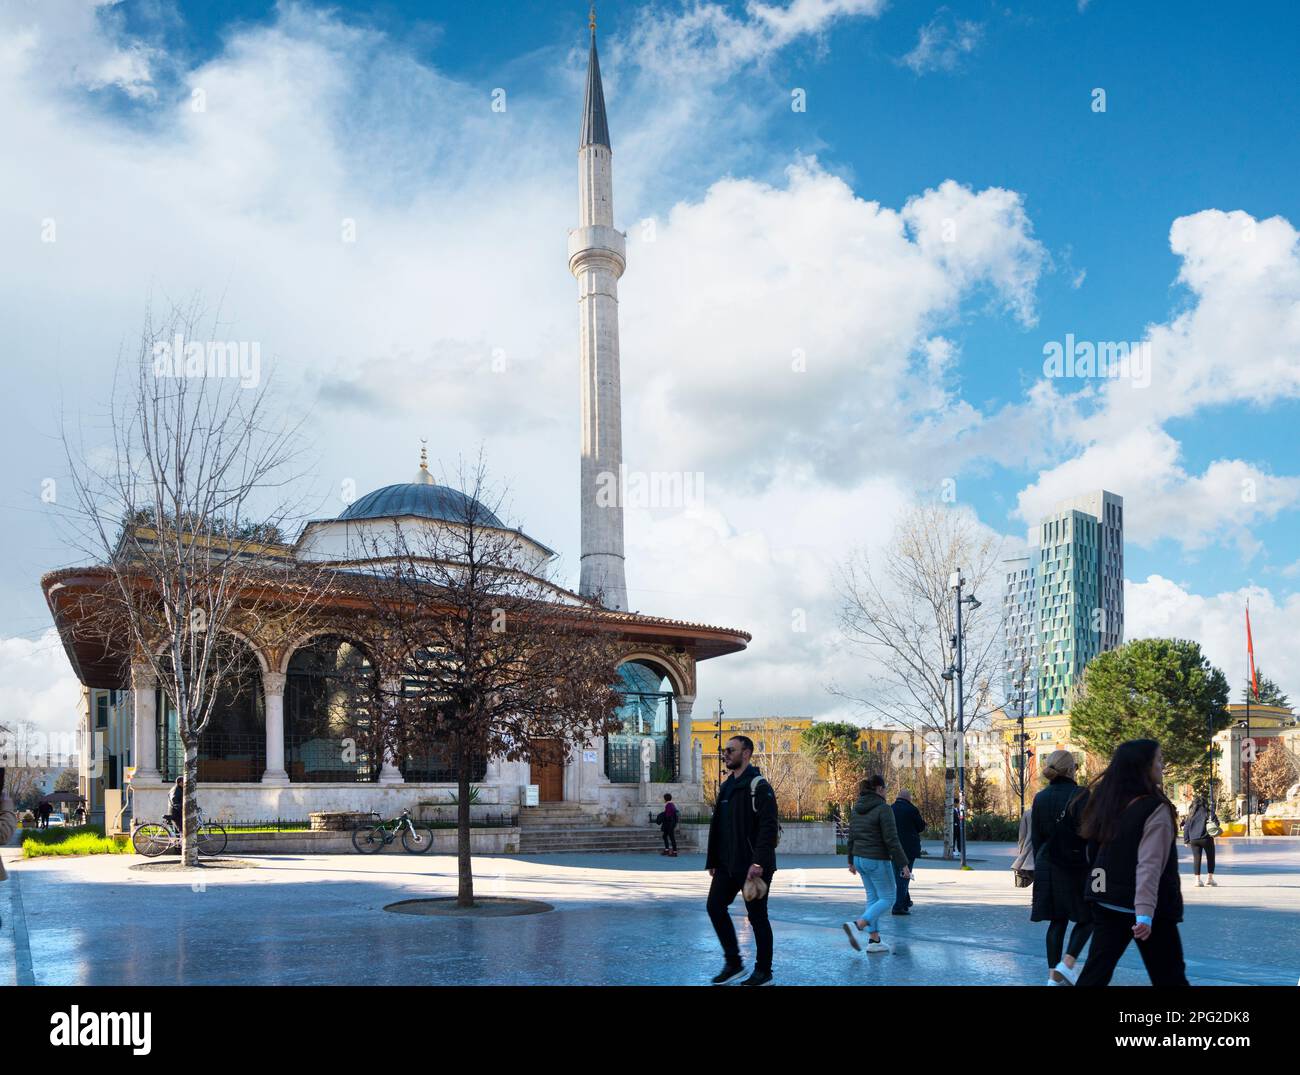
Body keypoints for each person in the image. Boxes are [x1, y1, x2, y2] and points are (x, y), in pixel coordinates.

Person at [1075, 739, 1188, 987]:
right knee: (1170, 978)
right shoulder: (1154, 809)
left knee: (1096, 973)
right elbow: (1149, 865)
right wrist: (1145, 914)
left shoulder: (1107, 802)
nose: (1162, 766)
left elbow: (1092, 853)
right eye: (1158, 760)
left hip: (1107, 902)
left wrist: (1100, 889)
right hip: (1148, 912)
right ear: (1142, 767)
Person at [705, 735, 779, 986]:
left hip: (753, 868)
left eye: (730, 750)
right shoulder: (726, 787)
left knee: (757, 917)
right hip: (727, 866)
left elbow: (769, 827)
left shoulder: (759, 786)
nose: (725, 754)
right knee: (715, 907)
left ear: (746, 753)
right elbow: (718, 828)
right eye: (724, 750)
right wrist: (713, 860)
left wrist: (758, 862)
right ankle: (734, 963)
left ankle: (764, 971)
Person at [1029, 750, 1093, 985]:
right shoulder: (1081, 795)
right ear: (1071, 769)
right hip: (1073, 864)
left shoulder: (1040, 797)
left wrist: (1040, 866)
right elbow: (1090, 834)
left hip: (1046, 863)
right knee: (1088, 917)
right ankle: (1067, 965)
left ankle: (1051, 978)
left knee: (1057, 921)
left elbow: (1035, 838)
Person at [842, 774, 911, 952]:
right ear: (880, 789)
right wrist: (904, 864)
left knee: (873, 898)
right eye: (885, 788)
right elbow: (891, 839)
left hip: (860, 859)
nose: (886, 792)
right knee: (889, 898)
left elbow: (852, 836)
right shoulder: (883, 808)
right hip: (876, 859)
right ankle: (857, 925)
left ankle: (874, 941)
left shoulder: (856, 808)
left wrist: (851, 860)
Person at [890, 788, 925, 914]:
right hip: (908, 849)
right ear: (908, 798)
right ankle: (898, 906)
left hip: (893, 848)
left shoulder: (890, 809)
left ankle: (905, 900)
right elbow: (920, 827)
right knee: (905, 876)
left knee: (898, 876)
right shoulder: (912, 809)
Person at [1182, 793, 1218, 887]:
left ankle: (1197, 880)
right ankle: (1209, 879)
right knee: (1210, 858)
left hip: (1194, 839)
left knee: (1196, 859)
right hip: (1206, 838)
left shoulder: (1191, 813)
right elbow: (1216, 824)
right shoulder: (1209, 812)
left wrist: (1186, 840)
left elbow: (1186, 827)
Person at [656, 792, 679, 856]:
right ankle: (667, 850)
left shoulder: (668, 805)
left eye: (664, 798)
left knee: (672, 837)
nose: (663, 800)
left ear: (665, 799)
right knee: (664, 836)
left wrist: (662, 817)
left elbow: (668, 815)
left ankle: (674, 852)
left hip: (669, 824)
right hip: (670, 823)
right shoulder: (672, 804)